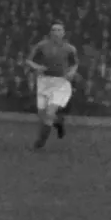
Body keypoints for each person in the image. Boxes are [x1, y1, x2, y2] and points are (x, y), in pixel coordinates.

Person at [25, 20, 78, 149]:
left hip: (60, 83)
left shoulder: (70, 49)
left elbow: (75, 64)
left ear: (64, 33)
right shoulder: (41, 46)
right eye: (54, 30)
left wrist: (71, 72)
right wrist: (36, 66)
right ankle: (58, 123)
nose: (56, 32)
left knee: (50, 111)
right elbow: (28, 60)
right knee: (42, 114)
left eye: (59, 30)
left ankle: (40, 142)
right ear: (50, 32)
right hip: (44, 81)